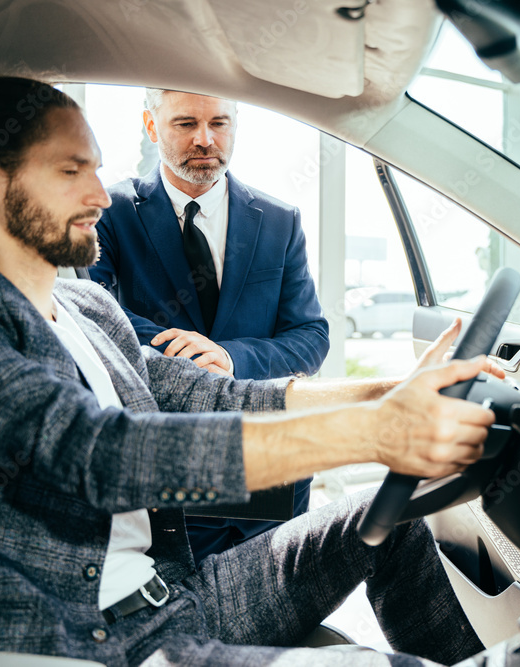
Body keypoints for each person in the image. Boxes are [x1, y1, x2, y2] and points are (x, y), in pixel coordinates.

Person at [0, 77, 500, 666]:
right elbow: (102, 455)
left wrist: (392, 390)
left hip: (178, 594)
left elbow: (222, 394)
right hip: (92, 640)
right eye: (70, 171)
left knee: (391, 519)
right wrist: (376, 432)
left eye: (96, 169)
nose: (100, 195)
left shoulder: (88, 309)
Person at [90, 89, 330, 559]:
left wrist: (229, 357)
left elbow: (311, 337)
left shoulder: (281, 220)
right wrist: (188, 357)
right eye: (185, 124)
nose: (205, 139)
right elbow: (94, 316)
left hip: (269, 471)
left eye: (219, 123)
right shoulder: (109, 213)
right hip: (169, 470)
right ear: (151, 125)